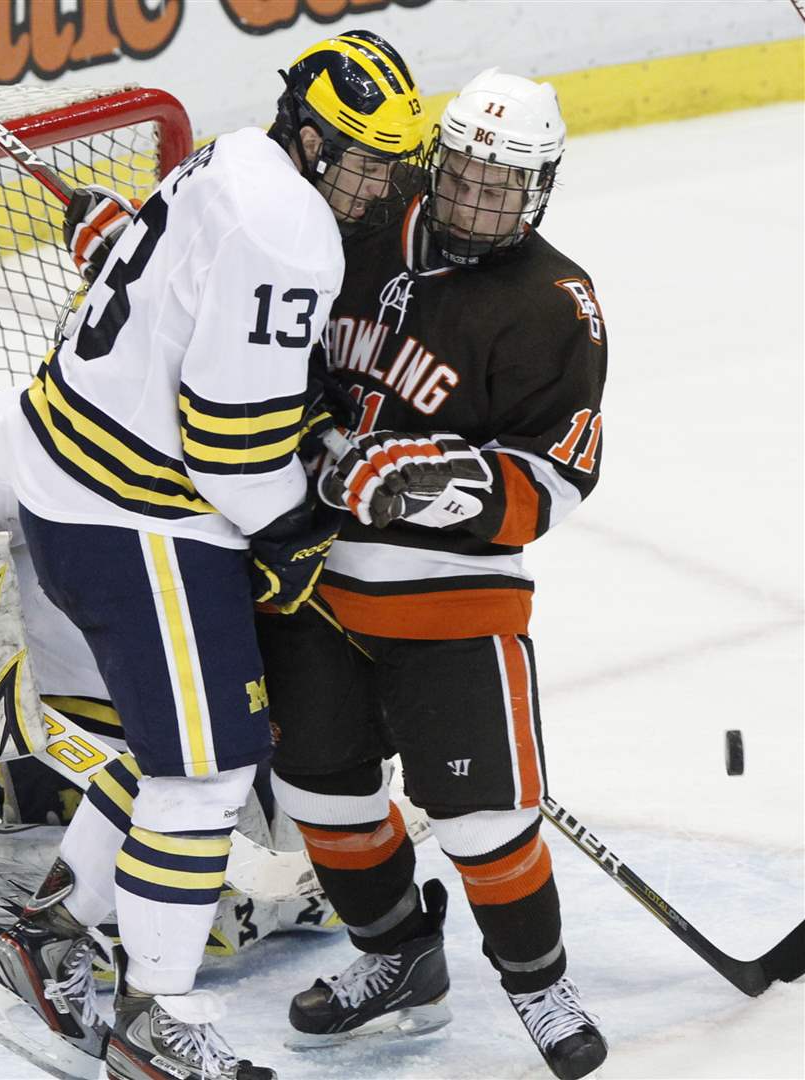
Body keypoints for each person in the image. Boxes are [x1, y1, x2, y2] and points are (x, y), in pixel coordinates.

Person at [0, 30, 425, 1080]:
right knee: (205, 775)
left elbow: (191, 320)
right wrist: (293, 528)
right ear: (310, 137)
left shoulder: (232, 156)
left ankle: (45, 946)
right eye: (361, 158)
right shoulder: (292, 228)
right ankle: (152, 1022)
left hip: (73, 486)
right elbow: (229, 445)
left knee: (160, 747)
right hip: (140, 516)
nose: (377, 183)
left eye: (390, 162)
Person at [253, 68, 610, 1080]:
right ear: (434, 161)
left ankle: (539, 986)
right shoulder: (358, 222)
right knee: (321, 791)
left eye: (503, 186)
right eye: (463, 175)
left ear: (539, 188)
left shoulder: (554, 303)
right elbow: (261, 335)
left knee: (485, 820)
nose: (477, 199)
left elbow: (559, 474)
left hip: (450, 605)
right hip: (308, 587)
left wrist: (439, 478)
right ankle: (398, 957)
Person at [0, 387, 341, 999]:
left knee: (302, 876)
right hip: (76, 720)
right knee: (185, 905)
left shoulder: (277, 431)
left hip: (223, 704)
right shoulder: (27, 428)